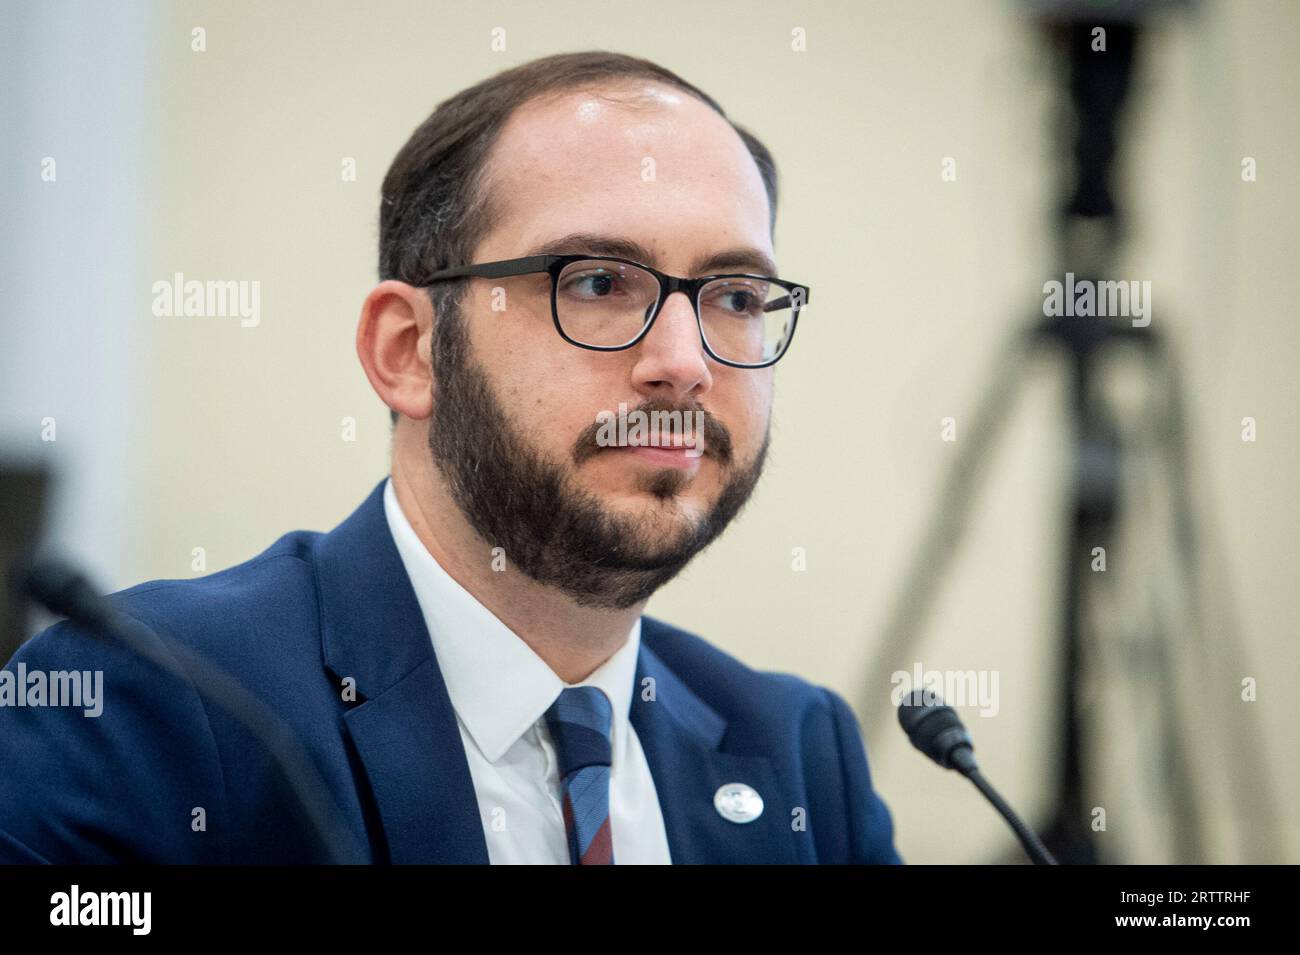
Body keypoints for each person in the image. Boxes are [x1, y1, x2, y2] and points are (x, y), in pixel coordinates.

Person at [0, 50, 901, 864]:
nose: (684, 363)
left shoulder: (799, 753)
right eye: (596, 282)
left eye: (736, 296)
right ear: (409, 351)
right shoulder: (145, 703)